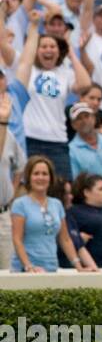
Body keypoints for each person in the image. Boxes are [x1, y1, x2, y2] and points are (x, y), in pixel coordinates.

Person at [15, 13, 92, 180]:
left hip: (57, 141)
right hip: (30, 140)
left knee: (63, 190)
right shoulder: (29, 71)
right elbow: (24, 59)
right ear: (36, 51)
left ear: (59, 52)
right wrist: (34, 26)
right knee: (28, 187)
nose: (48, 50)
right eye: (43, 46)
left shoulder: (65, 73)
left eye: (53, 47)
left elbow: (85, 84)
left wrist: (71, 52)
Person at [11, 156, 91, 272]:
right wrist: (28, 266)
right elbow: (17, 239)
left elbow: (65, 239)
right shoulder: (20, 204)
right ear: (29, 177)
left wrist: (79, 267)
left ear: (50, 178)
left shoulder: (57, 204)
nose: (41, 177)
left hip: (51, 267)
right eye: (36, 173)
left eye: (45, 174)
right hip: (26, 270)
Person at [0, 92, 22, 269]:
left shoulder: (9, 135)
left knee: (7, 275)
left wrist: (12, 192)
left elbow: (20, 168)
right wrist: (3, 123)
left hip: (3, 214)